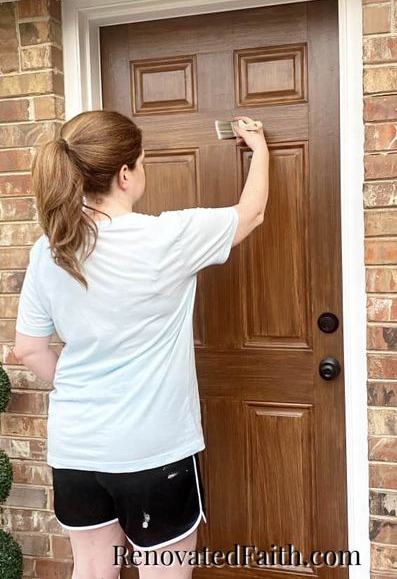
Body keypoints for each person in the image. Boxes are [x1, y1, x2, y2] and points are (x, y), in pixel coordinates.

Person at [12, 110, 269, 579]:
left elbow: (28, 348)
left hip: (76, 448)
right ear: (125, 174)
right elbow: (251, 214)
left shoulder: (49, 249)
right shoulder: (164, 237)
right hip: (152, 451)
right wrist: (260, 148)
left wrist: (78, 387)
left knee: (90, 571)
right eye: (142, 162)